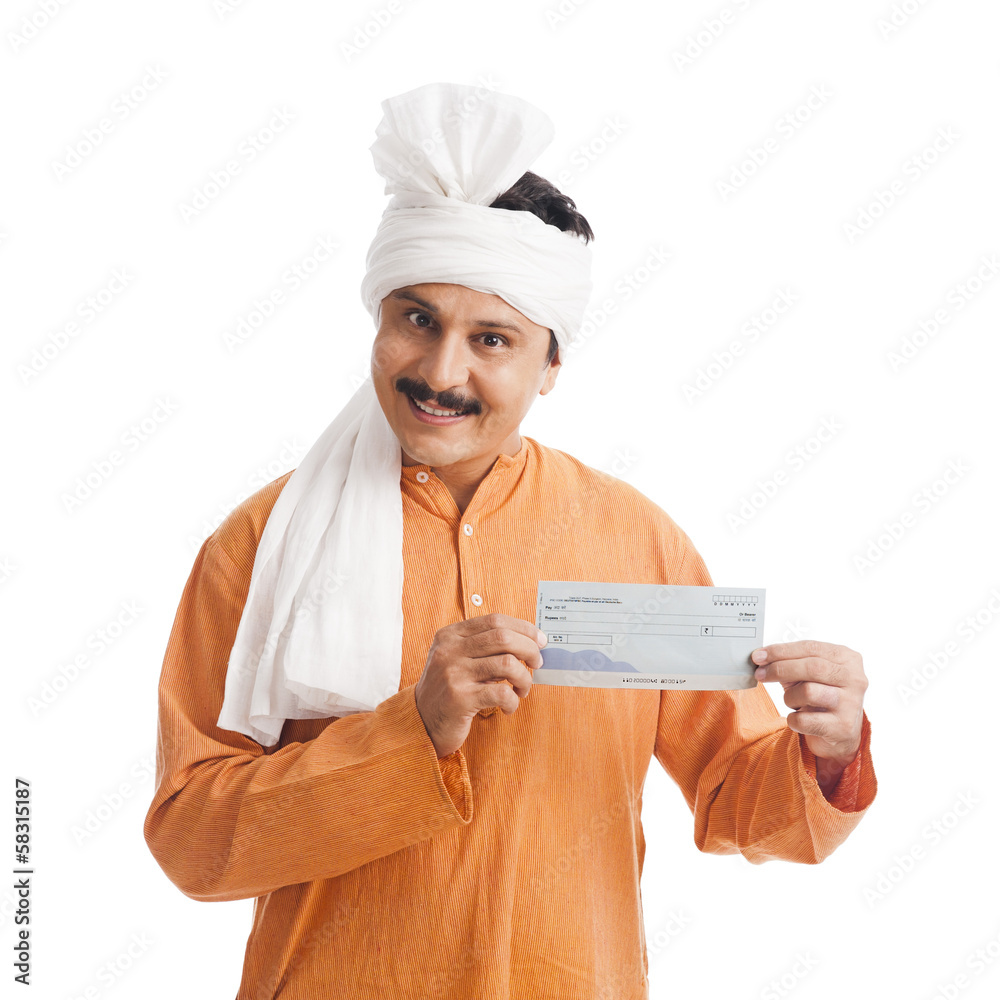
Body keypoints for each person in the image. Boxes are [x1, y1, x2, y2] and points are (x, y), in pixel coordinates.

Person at [144, 82, 876, 1000]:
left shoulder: (636, 538)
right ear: (378, 317)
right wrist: (412, 733)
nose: (440, 372)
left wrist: (830, 753)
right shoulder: (258, 544)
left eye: (491, 338)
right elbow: (192, 843)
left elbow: (743, 803)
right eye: (417, 319)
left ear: (553, 362)